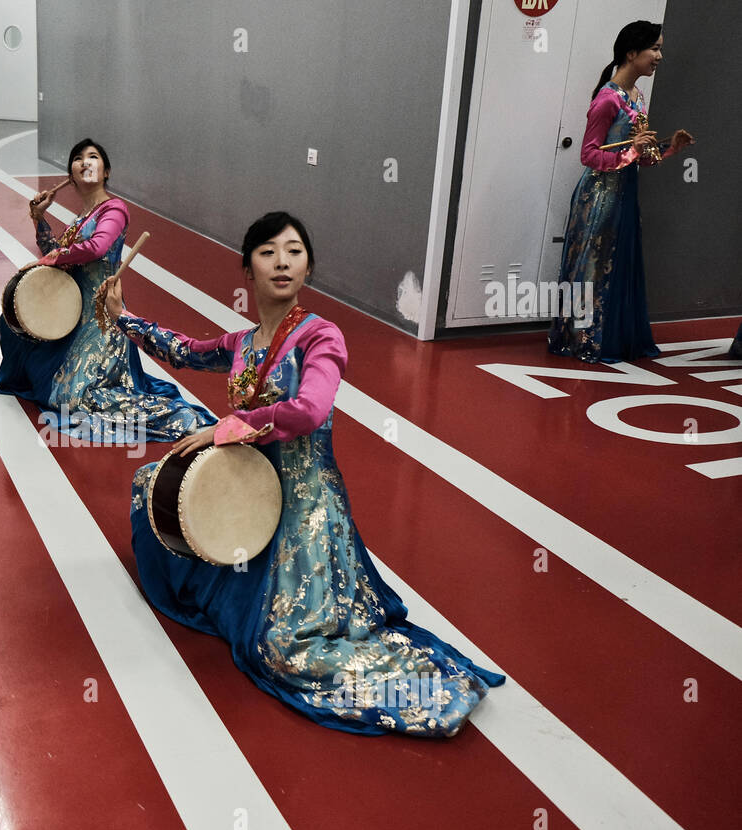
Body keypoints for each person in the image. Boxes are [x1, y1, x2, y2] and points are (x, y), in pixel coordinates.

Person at [104, 212, 504, 737]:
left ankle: (420, 686)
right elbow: (186, 352)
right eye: (268, 252)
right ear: (247, 269)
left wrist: (233, 424)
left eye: (294, 251)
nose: (282, 261)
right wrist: (124, 317)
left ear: (308, 266)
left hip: (305, 504)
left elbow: (310, 410)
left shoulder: (321, 338)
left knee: (283, 649)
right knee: (148, 486)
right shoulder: (244, 344)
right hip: (248, 488)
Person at [0, 138, 214, 442]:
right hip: (72, 310)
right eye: (78, 158)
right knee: (14, 329)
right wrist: (40, 217)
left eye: (93, 156)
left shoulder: (115, 209)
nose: (85, 161)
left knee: (69, 400)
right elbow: (57, 252)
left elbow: (97, 247)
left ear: (106, 170)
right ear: (71, 174)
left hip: (100, 317)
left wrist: (52, 256)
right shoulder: (81, 218)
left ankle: (177, 416)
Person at [548, 21, 694, 363]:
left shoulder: (637, 97)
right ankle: (585, 339)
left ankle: (612, 338)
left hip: (625, 195)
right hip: (600, 198)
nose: (659, 56)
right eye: (654, 49)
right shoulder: (607, 100)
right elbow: (589, 155)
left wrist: (668, 148)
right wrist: (631, 152)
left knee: (619, 266)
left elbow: (641, 156)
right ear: (632, 53)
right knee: (593, 267)